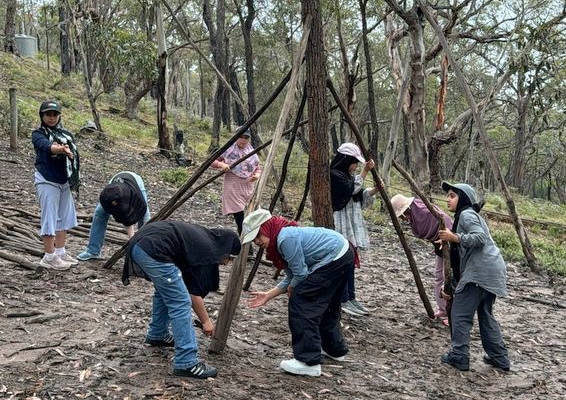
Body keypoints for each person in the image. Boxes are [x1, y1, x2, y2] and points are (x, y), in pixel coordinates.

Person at [122, 220, 241, 379]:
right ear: (225, 249)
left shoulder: (203, 238)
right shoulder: (205, 249)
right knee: (180, 301)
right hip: (152, 248)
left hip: (141, 245)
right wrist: (206, 321)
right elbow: (192, 293)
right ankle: (187, 362)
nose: (226, 263)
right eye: (230, 258)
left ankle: (157, 334)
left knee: (165, 291)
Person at [245, 208, 353, 378]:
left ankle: (308, 361)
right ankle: (335, 350)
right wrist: (268, 295)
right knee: (325, 303)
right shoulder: (281, 239)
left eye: (258, 235)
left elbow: (300, 274)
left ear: (266, 227)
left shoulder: (285, 238)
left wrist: (294, 288)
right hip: (342, 253)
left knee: (301, 301)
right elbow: (293, 275)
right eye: (254, 240)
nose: (257, 242)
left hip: (335, 257)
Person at [438, 181, 510, 372]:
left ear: (463, 199)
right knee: (485, 314)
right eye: (448, 195)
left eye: (452, 196)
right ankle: (499, 357)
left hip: (480, 272)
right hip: (492, 269)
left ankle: (459, 355)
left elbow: (479, 238)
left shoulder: (467, 214)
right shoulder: (467, 216)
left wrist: (455, 238)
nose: (448, 199)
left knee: (460, 313)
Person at [32, 99, 80, 271]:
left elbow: (73, 154)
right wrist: (60, 150)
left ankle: (60, 251)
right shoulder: (38, 134)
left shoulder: (65, 134)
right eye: (48, 114)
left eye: (55, 114)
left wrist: (70, 154)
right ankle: (49, 256)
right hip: (47, 179)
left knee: (64, 217)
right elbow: (45, 146)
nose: (51, 118)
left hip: (63, 180)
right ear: (42, 116)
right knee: (50, 216)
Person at [329, 142, 377, 316]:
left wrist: (374, 190)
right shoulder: (334, 175)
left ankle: (351, 296)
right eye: (354, 162)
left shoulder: (349, 176)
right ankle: (342, 299)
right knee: (342, 259)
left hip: (351, 222)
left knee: (350, 260)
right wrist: (365, 172)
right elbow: (350, 190)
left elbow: (358, 194)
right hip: (340, 221)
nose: (356, 166)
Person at [391, 193, 453, 326]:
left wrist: (445, 238)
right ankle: (442, 309)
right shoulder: (414, 215)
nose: (403, 218)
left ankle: (453, 314)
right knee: (438, 276)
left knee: (449, 278)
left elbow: (444, 219)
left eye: (402, 215)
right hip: (438, 245)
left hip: (448, 242)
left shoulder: (423, 209)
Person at [77, 171, 150, 260]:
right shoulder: (107, 195)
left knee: (146, 219)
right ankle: (93, 251)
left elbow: (127, 218)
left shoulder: (136, 197)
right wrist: (132, 240)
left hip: (136, 184)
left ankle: (146, 253)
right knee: (99, 213)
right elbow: (124, 219)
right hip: (117, 185)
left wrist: (133, 241)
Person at [211, 128, 261, 233]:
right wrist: (222, 164)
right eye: (240, 137)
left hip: (247, 187)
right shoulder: (228, 149)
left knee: (251, 216)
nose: (243, 140)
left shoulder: (251, 151)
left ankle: (249, 240)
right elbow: (212, 161)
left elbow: (257, 167)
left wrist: (256, 175)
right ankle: (246, 245)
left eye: (246, 137)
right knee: (241, 218)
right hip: (233, 186)